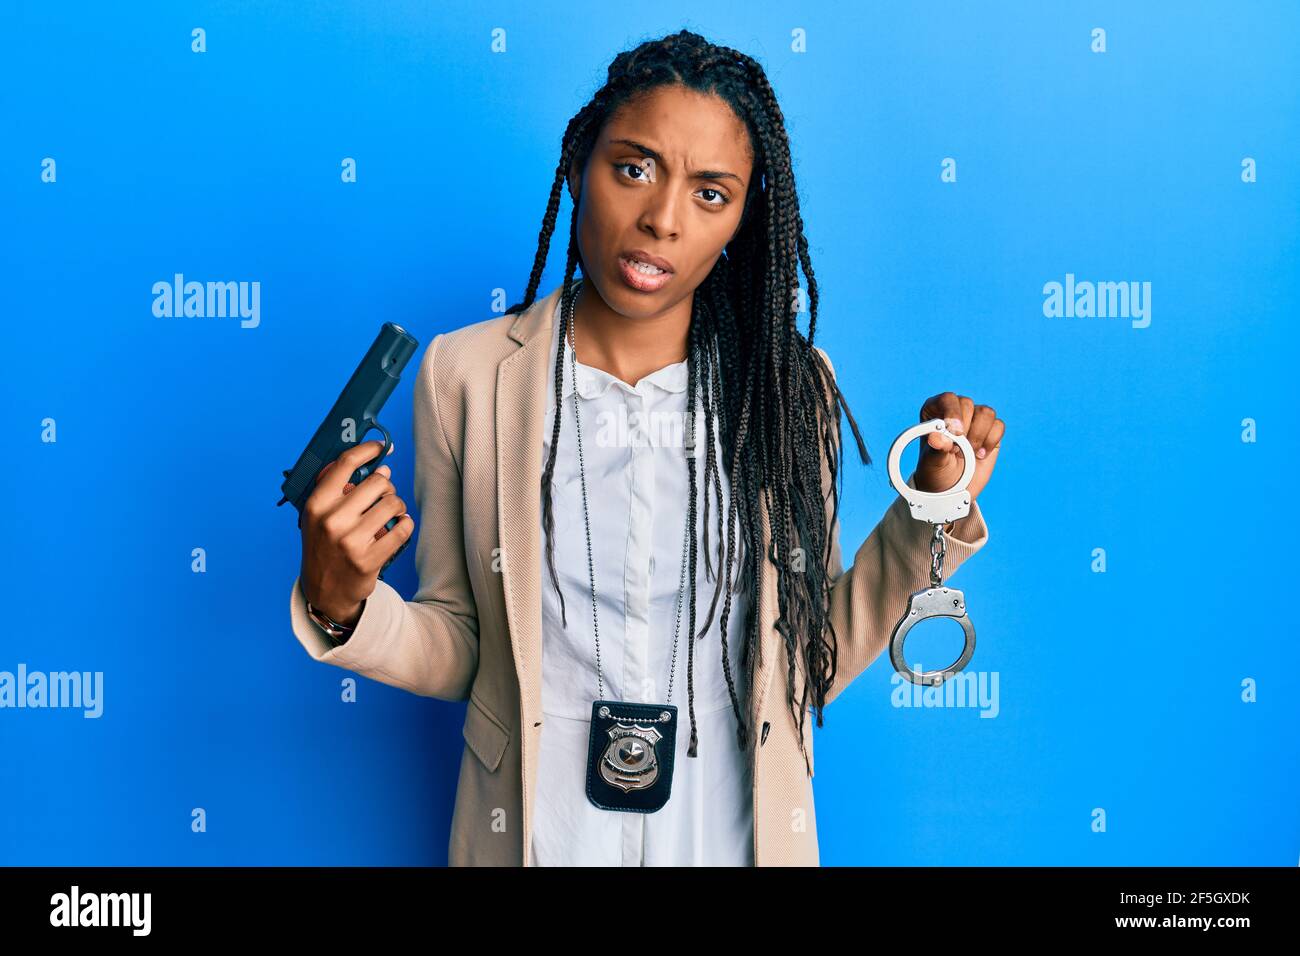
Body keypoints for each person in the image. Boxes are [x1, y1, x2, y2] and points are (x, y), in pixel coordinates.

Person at [290, 29, 1004, 866]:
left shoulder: (787, 387)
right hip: (535, 837)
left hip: (727, 840)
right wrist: (342, 604)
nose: (662, 219)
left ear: (745, 218)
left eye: (711, 193)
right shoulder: (467, 375)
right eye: (633, 168)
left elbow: (808, 658)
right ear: (581, 164)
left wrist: (931, 506)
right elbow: (464, 644)